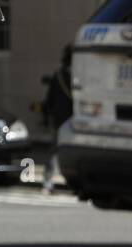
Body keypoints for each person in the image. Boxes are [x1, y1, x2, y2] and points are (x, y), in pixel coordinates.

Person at [41, 45, 73, 193]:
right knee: (67, 150)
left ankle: (48, 182)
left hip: (59, 118)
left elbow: (49, 99)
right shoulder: (77, 77)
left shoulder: (58, 75)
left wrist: (46, 116)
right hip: (71, 118)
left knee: (54, 150)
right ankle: (68, 181)